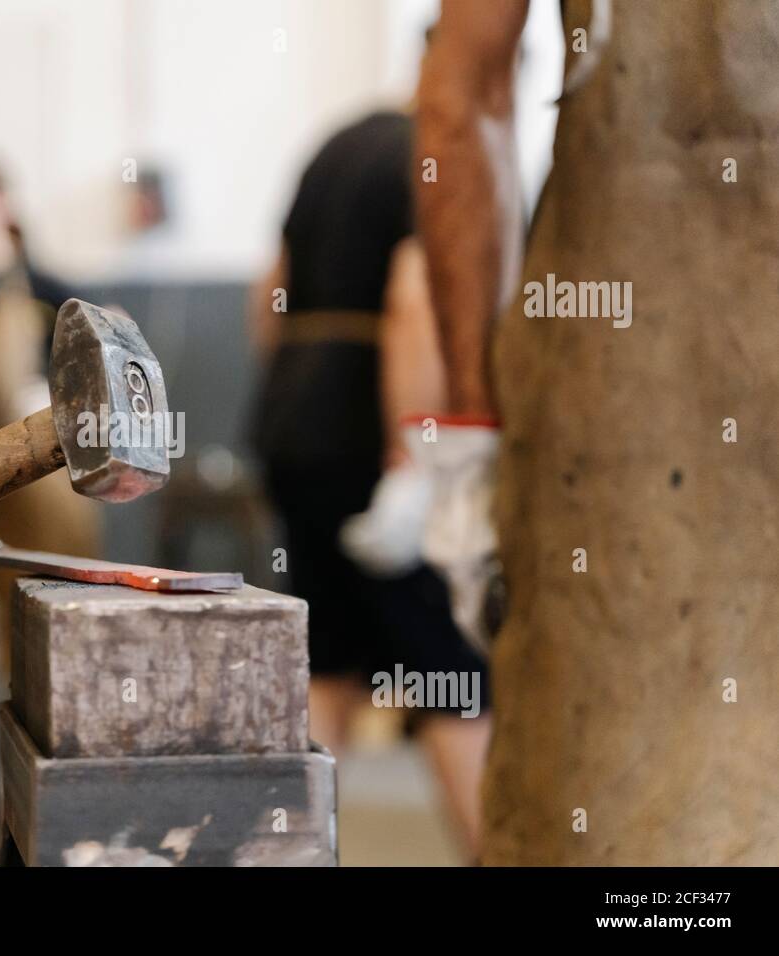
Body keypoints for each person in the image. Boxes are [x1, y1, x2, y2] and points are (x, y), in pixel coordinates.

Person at [417, 0, 779, 864]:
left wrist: (468, 429)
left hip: (615, 400)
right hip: (622, 405)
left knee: (606, 808)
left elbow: (461, 103)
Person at [250, 109, 491, 857]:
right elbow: (414, 300)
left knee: (329, 666)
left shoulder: (335, 146)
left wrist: (294, 398)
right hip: (371, 435)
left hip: (292, 425)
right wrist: (410, 456)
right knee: (455, 673)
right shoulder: (436, 155)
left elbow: (270, 295)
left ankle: (289, 854)